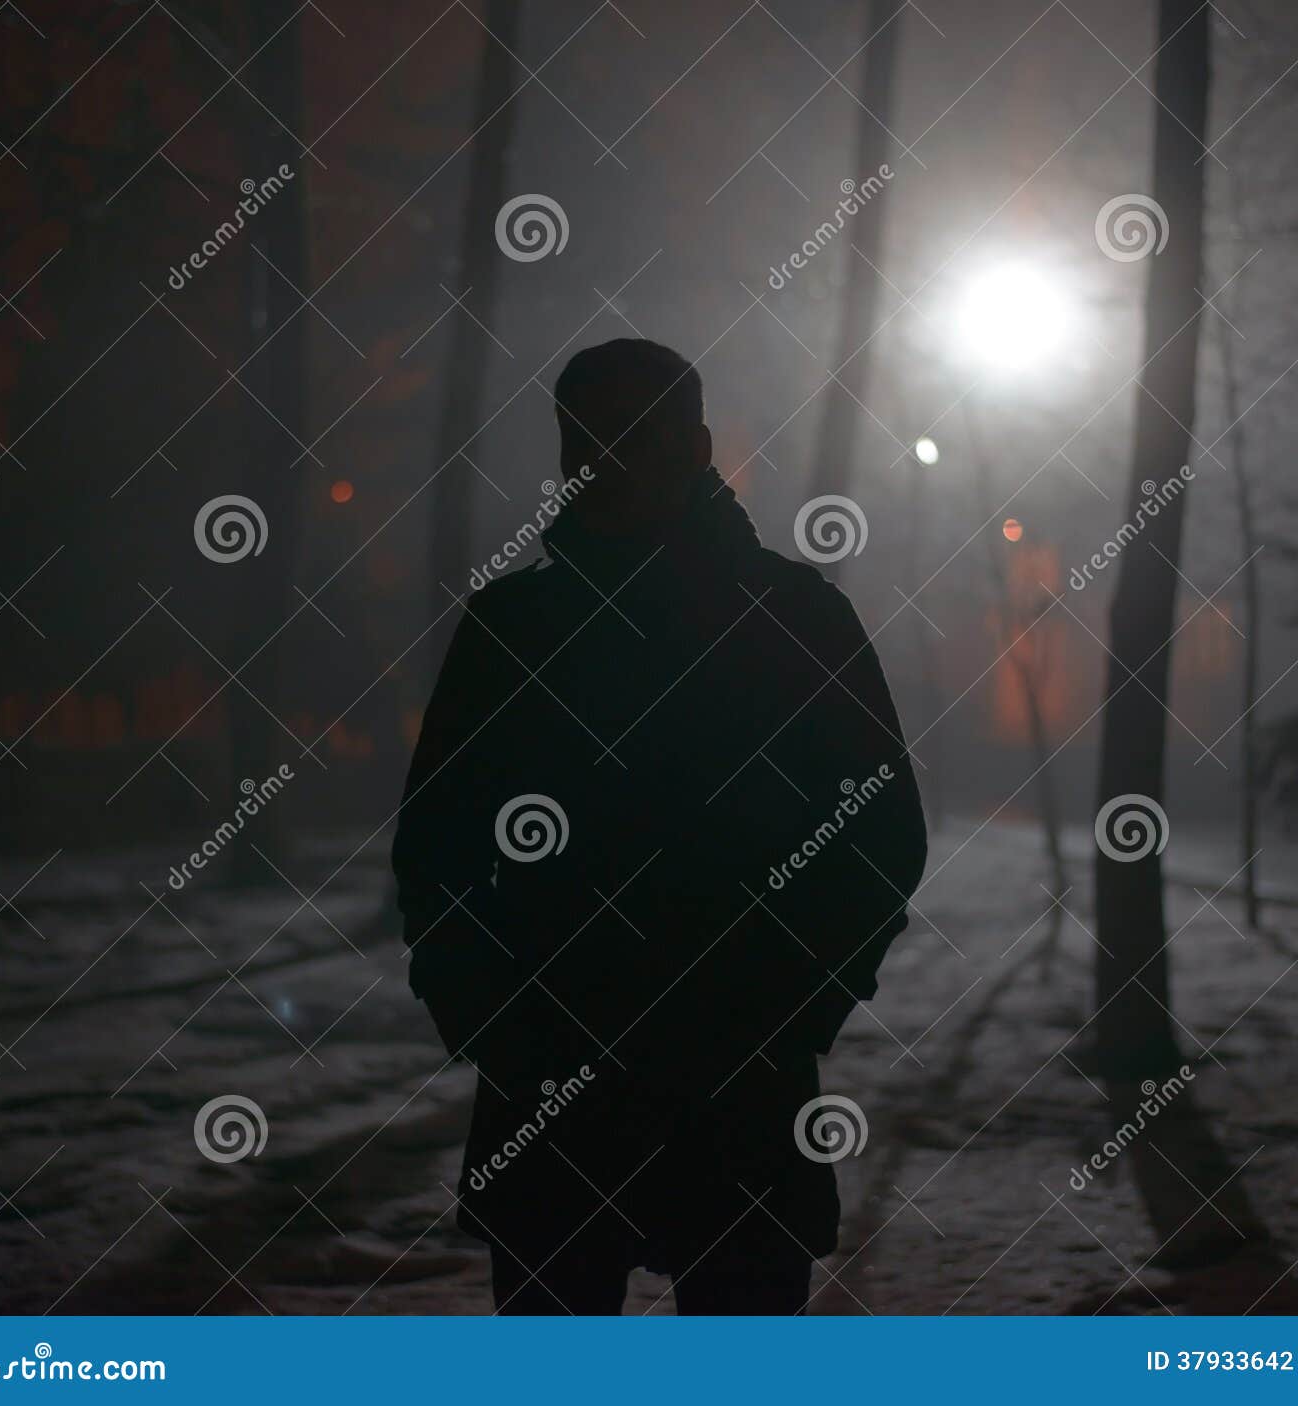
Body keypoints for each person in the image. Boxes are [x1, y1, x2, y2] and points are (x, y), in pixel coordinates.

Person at [391, 338, 927, 1314]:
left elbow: (878, 836)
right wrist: (494, 1025)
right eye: (589, 440)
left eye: (633, 436)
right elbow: (437, 852)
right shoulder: (773, 615)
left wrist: (789, 1008)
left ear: (697, 445)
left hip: (689, 1082)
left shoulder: (778, 617)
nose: (609, 462)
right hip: (606, 1081)